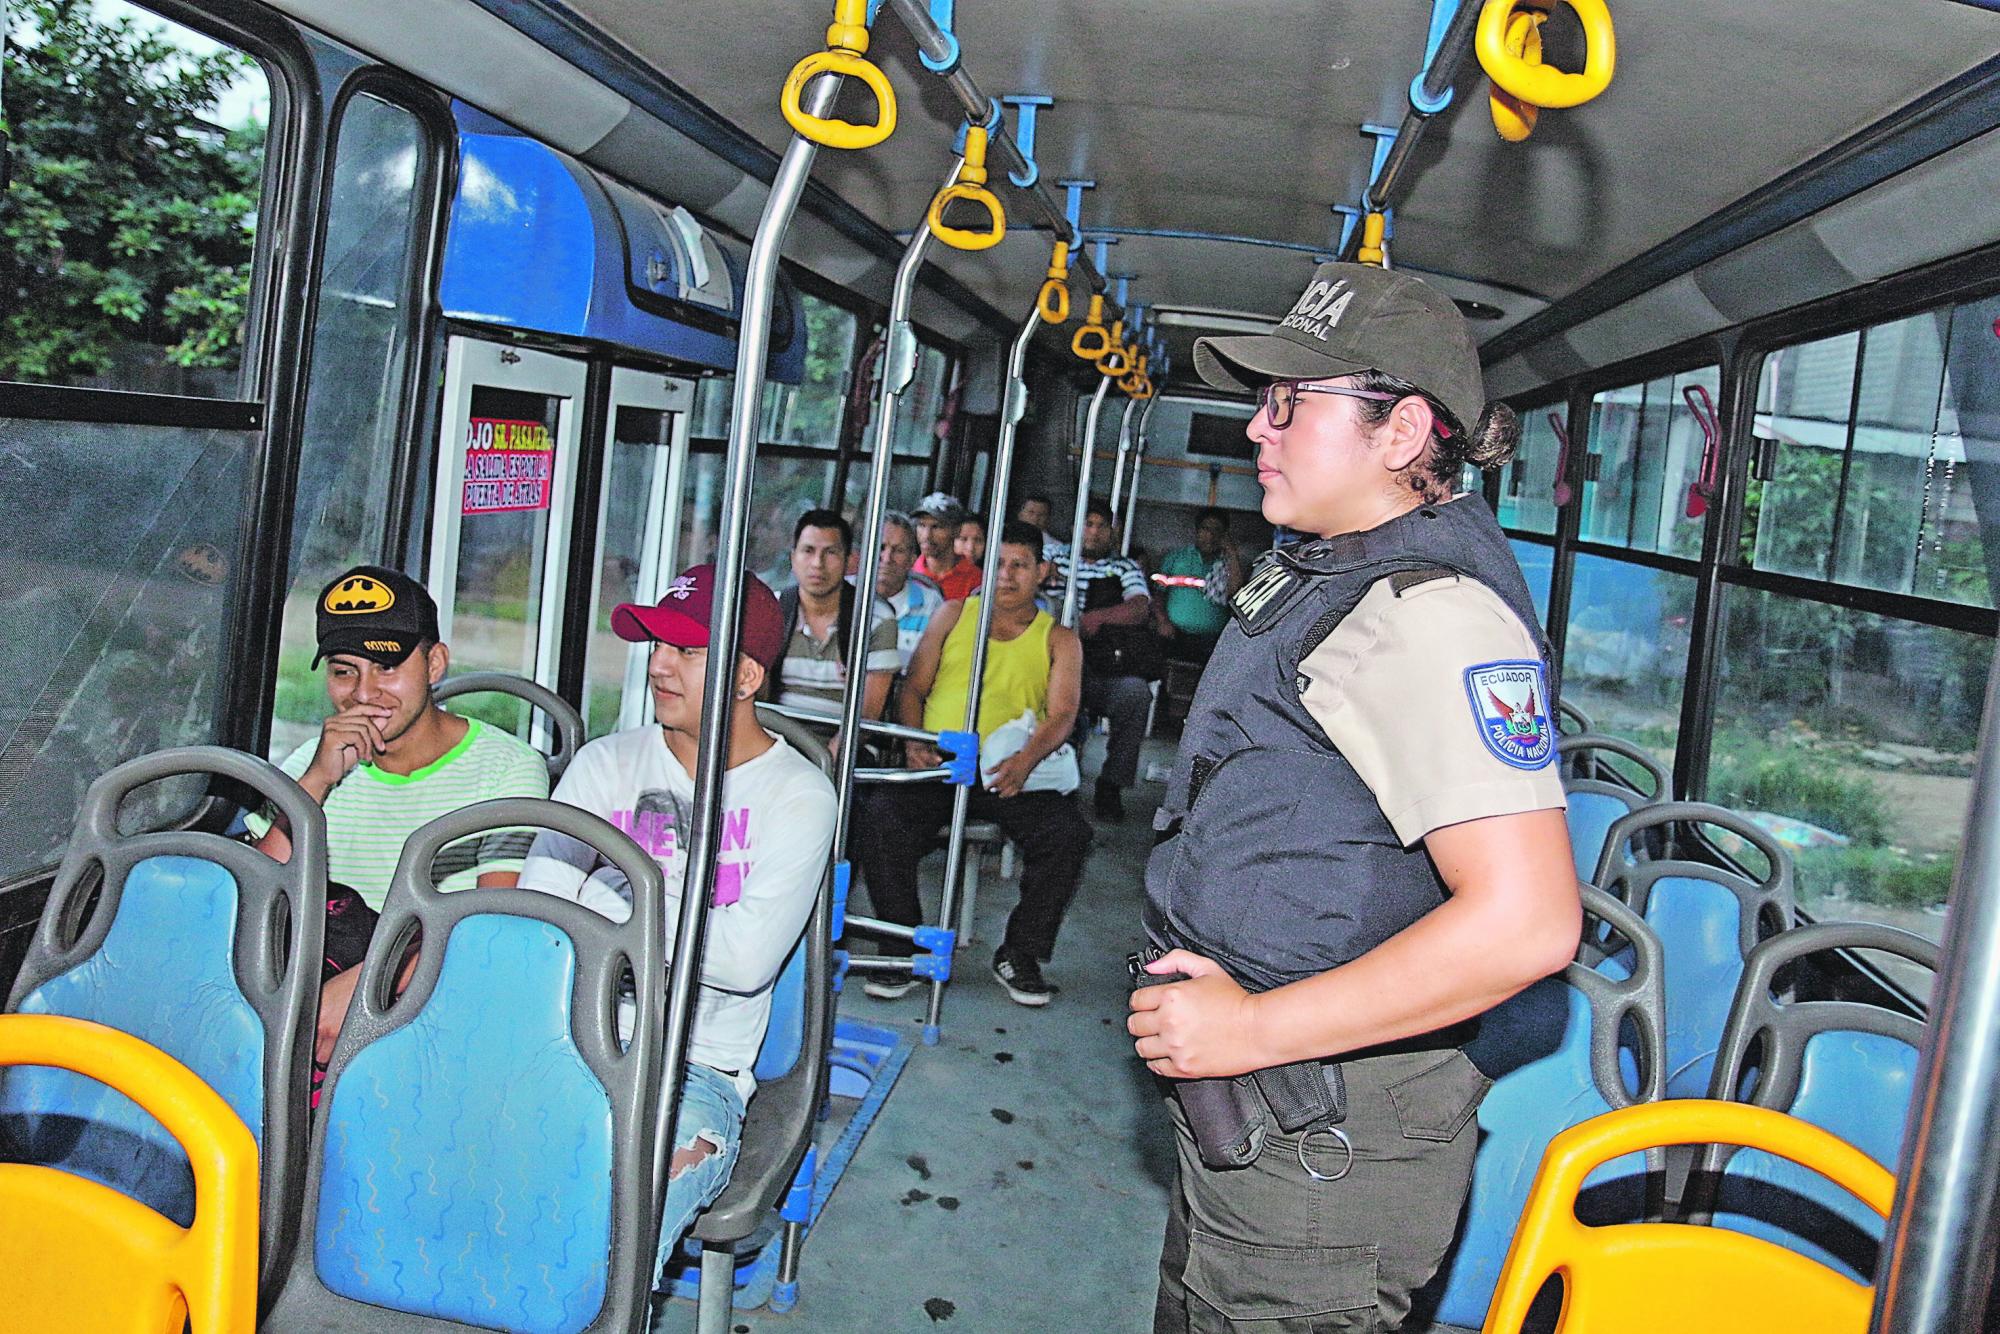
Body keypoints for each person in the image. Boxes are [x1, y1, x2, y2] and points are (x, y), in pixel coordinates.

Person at [1127, 262, 1582, 1332]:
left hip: (1316, 1136)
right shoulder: (1342, 571)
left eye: (1289, 403)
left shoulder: (1432, 613)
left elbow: (1526, 921)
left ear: (1399, 429)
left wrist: (1249, 1028)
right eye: (1260, 402)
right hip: (1260, 1113)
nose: (1255, 429)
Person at [518, 564, 836, 1288]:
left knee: (617, 1215)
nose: (658, 664)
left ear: (747, 676)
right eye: (658, 644)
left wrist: (609, 908)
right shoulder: (607, 765)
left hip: (695, 1066)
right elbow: (539, 923)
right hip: (565, 1032)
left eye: (687, 651)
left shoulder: (797, 796)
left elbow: (748, 959)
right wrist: (667, 930)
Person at [249, 564, 549, 1064]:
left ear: (434, 665)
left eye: (386, 667)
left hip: (433, 992)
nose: (364, 694)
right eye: (345, 671)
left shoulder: (507, 770)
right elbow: (259, 893)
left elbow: (493, 922)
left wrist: (372, 983)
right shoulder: (313, 762)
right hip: (309, 977)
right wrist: (318, 781)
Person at [853, 521, 1093, 1007]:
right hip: (942, 761)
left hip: (1012, 771)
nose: (1006, 576)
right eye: (999, 564)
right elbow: (915, 688)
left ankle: (1020, 953)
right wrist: (917, 744)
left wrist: (1026, 761)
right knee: (879, 818)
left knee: (1069, 836)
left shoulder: (1059, 639)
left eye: (1020, 566)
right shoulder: (953, 614)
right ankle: (903, 947)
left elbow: (1063, 713)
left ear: (1043, 572)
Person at [1046, 500, 1157, 823]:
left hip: (1099, 664)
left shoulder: (1122, 568)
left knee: (1135, 695)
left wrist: (1096, 618)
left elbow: (1139, 607)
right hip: (1048, 661)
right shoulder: (1052, 559)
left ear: (1112, 532)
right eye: (1087, 524)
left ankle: (1112, 783)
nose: (1093, 532)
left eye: (1101, 526)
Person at [768, 509, 899, 723]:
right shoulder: (771, 611)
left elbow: (867, 716)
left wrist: (828, 756)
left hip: (844, 744)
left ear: (849, 561)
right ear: (793, 558)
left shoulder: (876, 619)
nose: (818, 563)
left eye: (830, 553)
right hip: (778, 740)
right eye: (808, 550)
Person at [1151, 507, 1244, 664]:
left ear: (1224, 535)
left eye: (1217, 530)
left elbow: (1235, 593)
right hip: (1174, 636)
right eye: (1206, 529)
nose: (1210, 535)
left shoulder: (1228, 564)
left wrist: (1232, 554)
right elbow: (1157, 594)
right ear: (1197, 530)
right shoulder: (1176, 558)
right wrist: (1162, 621)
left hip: (1212, 642)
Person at [875, 511, 944, 673]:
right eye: (880, 547)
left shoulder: (931, 604)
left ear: (912, 560)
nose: (887, 558)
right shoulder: (844, 593)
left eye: (898, 550)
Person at [912, 491, 982, 601]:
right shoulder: (906, 572)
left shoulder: (976, 580)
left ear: (956, 530)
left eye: (937, 527)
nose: (926, 535)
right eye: (921, 525)